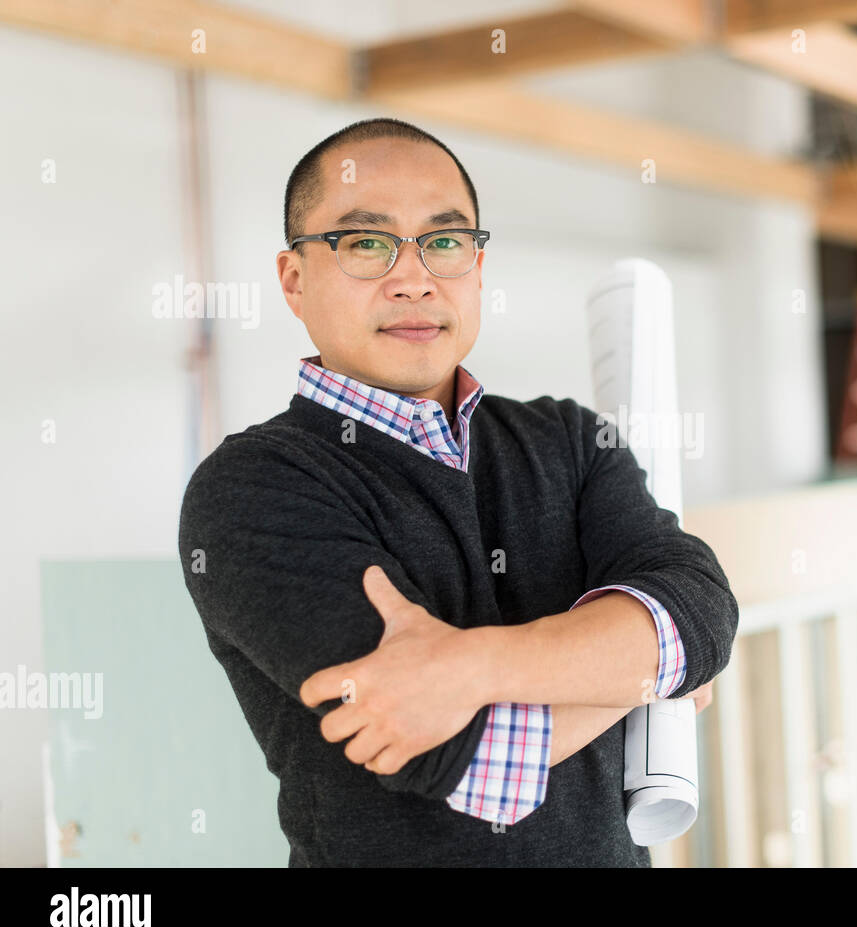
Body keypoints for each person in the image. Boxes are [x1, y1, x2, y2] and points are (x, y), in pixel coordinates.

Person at [177, 117, 737, 867]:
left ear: (476, 266)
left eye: (444, 241)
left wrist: (469, 667)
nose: (414, 277)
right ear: (294, 279)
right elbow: (467, 758)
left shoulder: (569, 440)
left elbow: (702, 608)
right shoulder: (251, 489)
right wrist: (641, 673)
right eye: (366, 242)